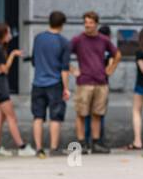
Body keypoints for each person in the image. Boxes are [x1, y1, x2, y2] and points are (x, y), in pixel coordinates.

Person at [70, 11, 121, 154]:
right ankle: (81, 143)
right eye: (86, 22)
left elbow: (117, 54)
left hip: (101, 82)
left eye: (91, 23)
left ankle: (96, 142)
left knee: (97, 114)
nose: (88, 25)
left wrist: (110, 69)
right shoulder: (78, 40)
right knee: (81, 114)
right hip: (84, 82)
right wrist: (72, 69)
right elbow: (63, 54)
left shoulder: (103, 40)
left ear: (96, 24)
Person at [0, 22, 36, 158]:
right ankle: (21, 146)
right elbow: (4, 69)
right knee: (12, 118)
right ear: (2, 34)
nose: (10, 36)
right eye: (8, 33)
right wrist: (13, 55)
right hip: (1, 88)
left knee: (1, 117)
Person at [31, 10, 71, 159]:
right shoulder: (64, 42)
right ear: (62, 24)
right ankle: (54, 149)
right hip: (55, 83)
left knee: (38, 116)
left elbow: (34, 61)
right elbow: (65, 69)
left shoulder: (38, 38)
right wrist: (66, 88)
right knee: (55, 117)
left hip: (37, 82)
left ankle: (39, 149)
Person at [84, 24, 115, 147]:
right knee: (99, 113)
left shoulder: (93, 47)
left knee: (87, 113)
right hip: (102, 83)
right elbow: (110, 68)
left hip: (88, 82)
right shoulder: (108, 50)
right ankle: (98, 140)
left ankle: (86, 140)